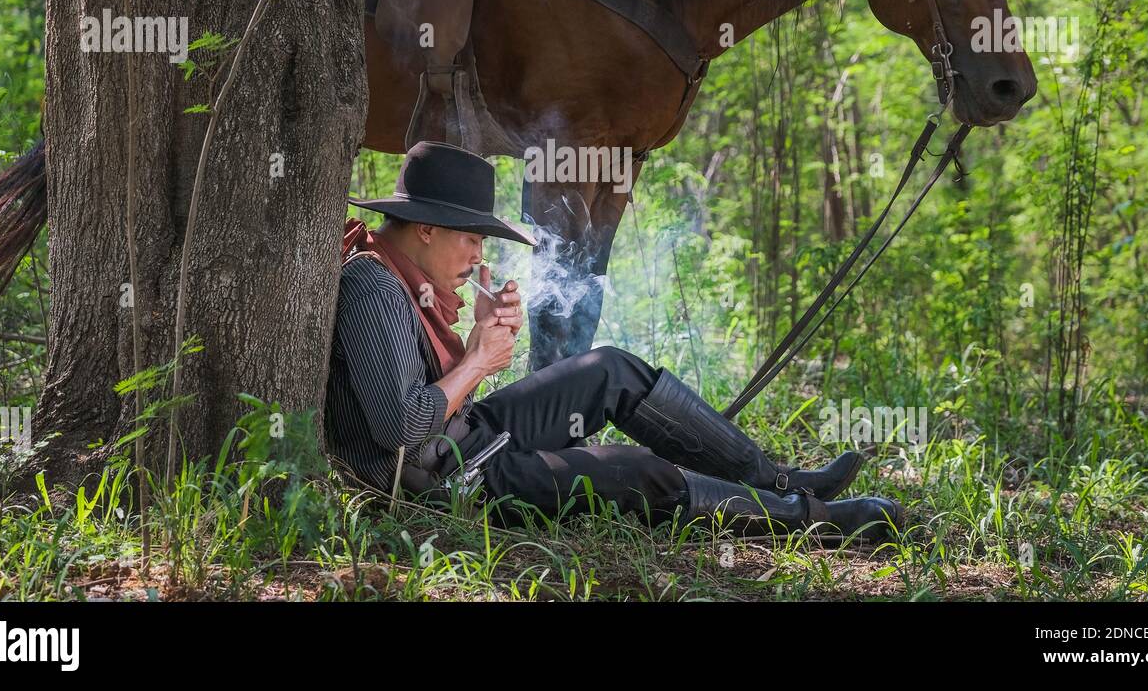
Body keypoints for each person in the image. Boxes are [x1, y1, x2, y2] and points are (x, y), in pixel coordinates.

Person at [324, 140, 903, 542]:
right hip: (449, 481)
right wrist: (477, 361)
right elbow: (399, 428)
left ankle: (777, 478)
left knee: (610, 369)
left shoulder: (406, 279)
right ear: (425, 229)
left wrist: (477, 336)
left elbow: (429, 392)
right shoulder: (374, 287)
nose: (479, 255)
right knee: (641, 473)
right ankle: (815, 519)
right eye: (471, 239)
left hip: (467, 440)